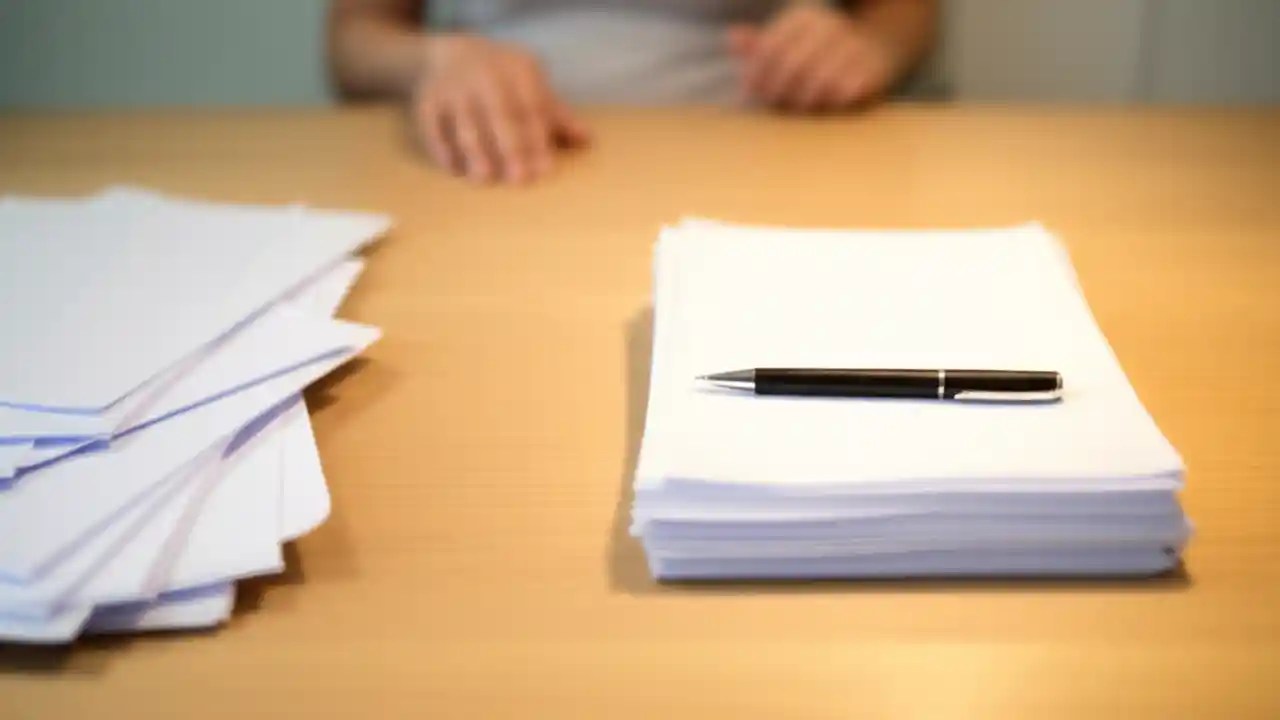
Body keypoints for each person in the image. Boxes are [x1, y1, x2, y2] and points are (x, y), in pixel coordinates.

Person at [328, 1, 937, 184]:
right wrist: (434, 59)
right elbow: (352, 38)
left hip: (780, 163)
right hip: (490, 169)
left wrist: (867, 48)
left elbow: (905, 14)